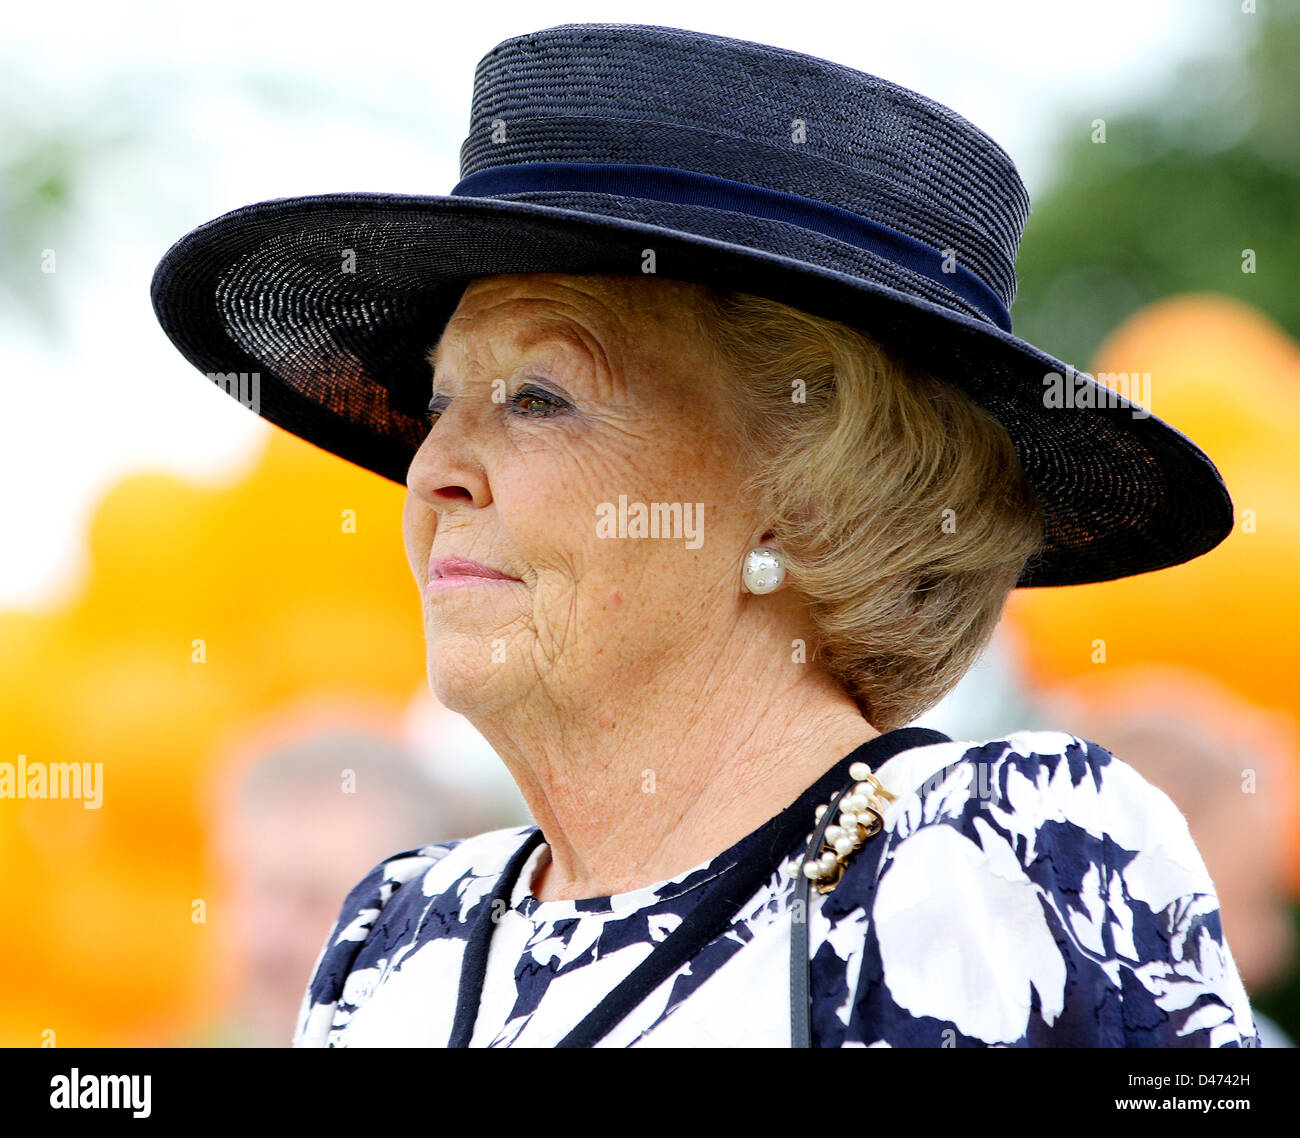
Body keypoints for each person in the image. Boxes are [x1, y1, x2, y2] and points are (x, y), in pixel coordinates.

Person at [150, 23, 1260, 1047]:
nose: (432, 470)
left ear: (809, 489)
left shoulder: (1000, 854)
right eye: (442, 403)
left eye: (538, 397)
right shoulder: (393, 935)